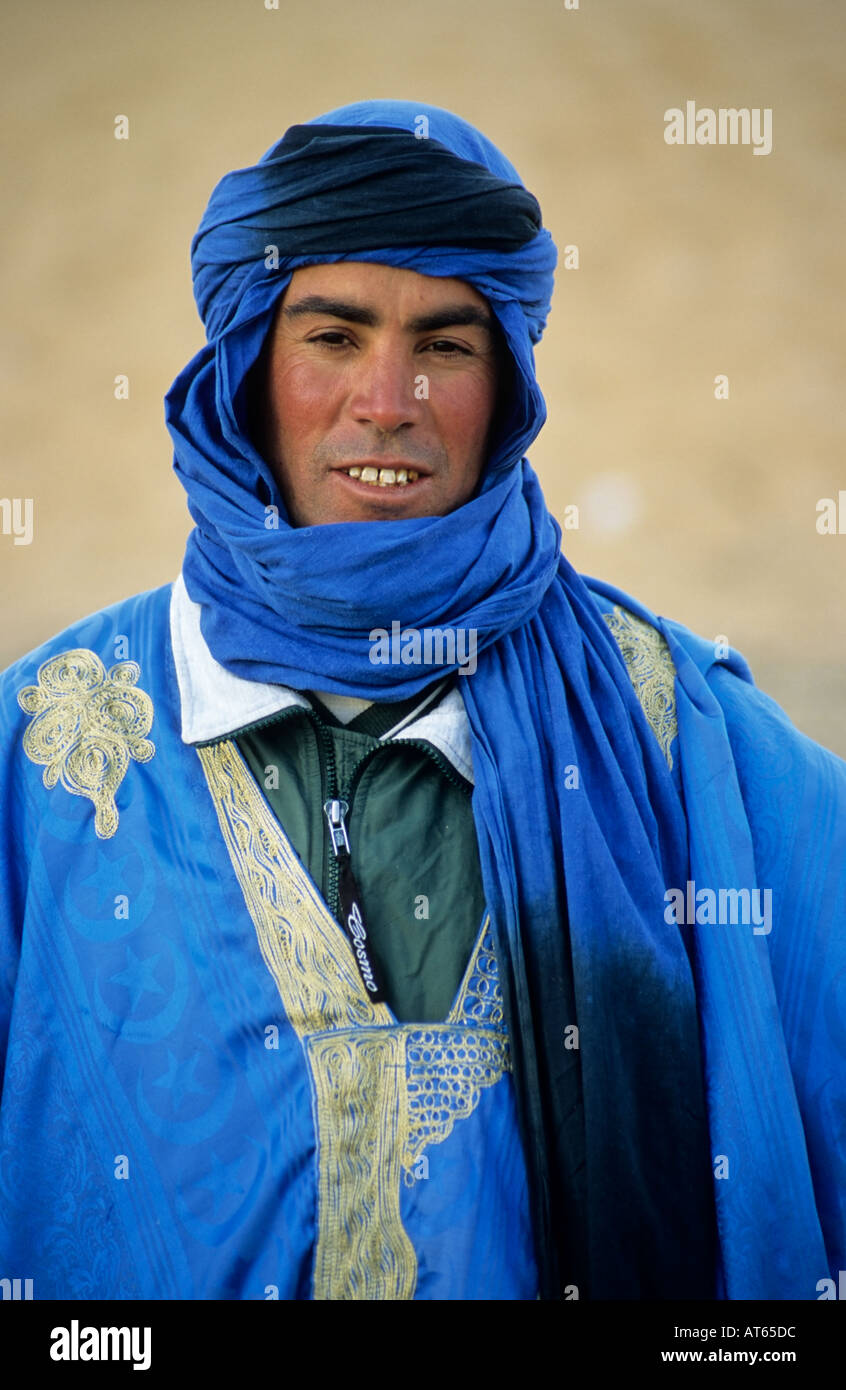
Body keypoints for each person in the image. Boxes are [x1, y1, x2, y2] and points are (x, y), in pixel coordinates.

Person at [0, 99, 843, 1304]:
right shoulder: (53, 745)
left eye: (446, 345)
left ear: (507, 388)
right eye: (334, 338)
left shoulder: (665, 724)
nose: (388, 401)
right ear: (246, 369)